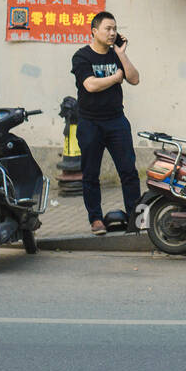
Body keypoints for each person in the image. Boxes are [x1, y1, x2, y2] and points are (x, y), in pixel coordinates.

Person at [71, 12, 141, 235]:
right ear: (94, 31)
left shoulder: (116, 55)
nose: (112, 33)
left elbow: (134, 78)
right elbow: (90, 85)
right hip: (90, 123)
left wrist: (121, 54)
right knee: (91, 174)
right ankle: (96, 220)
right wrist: (114, 78)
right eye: (107, 29)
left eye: (115, 29)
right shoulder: (82, 57)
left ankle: (135, 218)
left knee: (129, 171)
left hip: (116, 122)